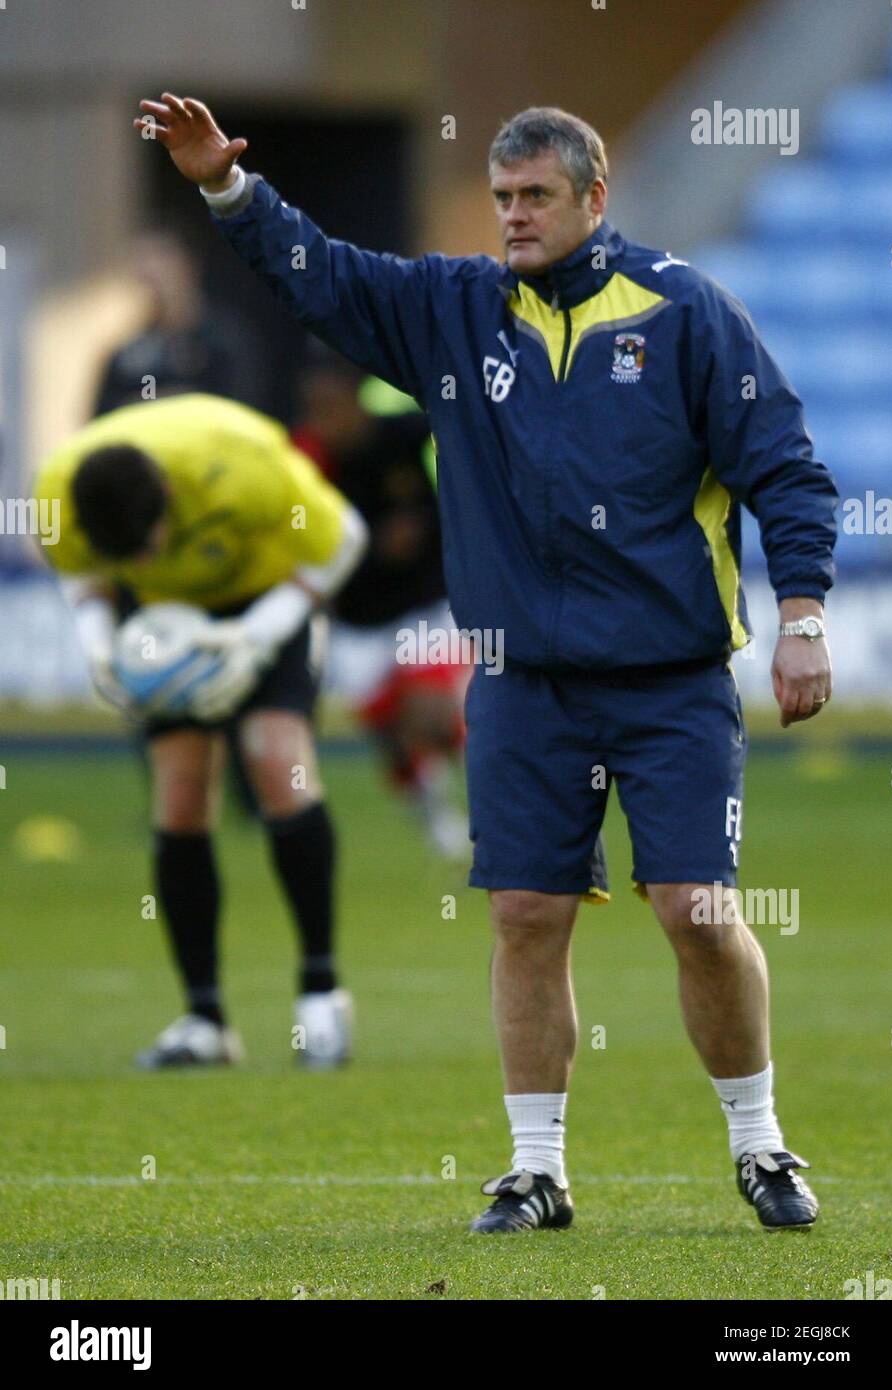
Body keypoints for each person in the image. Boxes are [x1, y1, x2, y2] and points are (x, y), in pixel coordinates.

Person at [135, 95, 838, 1233]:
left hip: (669, 677)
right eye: (502, 197)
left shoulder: (685, 311)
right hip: (521, 680)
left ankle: (760, 1144)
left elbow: (788, 470)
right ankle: (536, 1168)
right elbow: (323, 275)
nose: (512, 216)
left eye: (535, 198)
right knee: (523, 914)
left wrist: (801, 611)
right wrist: (225, 187)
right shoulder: (456, 310)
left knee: (699, 911)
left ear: (594, 198)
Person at [33, 392, 368, 1070]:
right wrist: (99, 642)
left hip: (267, 599)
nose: (146, 559)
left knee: (278, 761)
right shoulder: (56, 495)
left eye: (149, 543)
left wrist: (253, 636)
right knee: (181, 797)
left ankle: (320, 996)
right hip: (167, 625)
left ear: (167, 493)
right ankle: (206, 1019)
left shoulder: (240, 462)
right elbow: (83, 572)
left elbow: (346, 540)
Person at [292, 348, 468, 858]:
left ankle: (498, 809)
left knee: (431, 714)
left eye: (332, 408)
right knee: (393, 738)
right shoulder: (305, 461)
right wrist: (373, 546)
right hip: (357, 621)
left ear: (356, 403)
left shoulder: (405, 435)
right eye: (314, 410)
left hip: (424, 606)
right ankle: (432, 810)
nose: (324, 422)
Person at [93, 229, 263, 417]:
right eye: (143, 260)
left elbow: (246, 410)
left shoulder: (225, 343)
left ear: (189, 263)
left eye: (162, 257)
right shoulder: (127, 356)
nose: (152, 270)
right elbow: (102, 424)